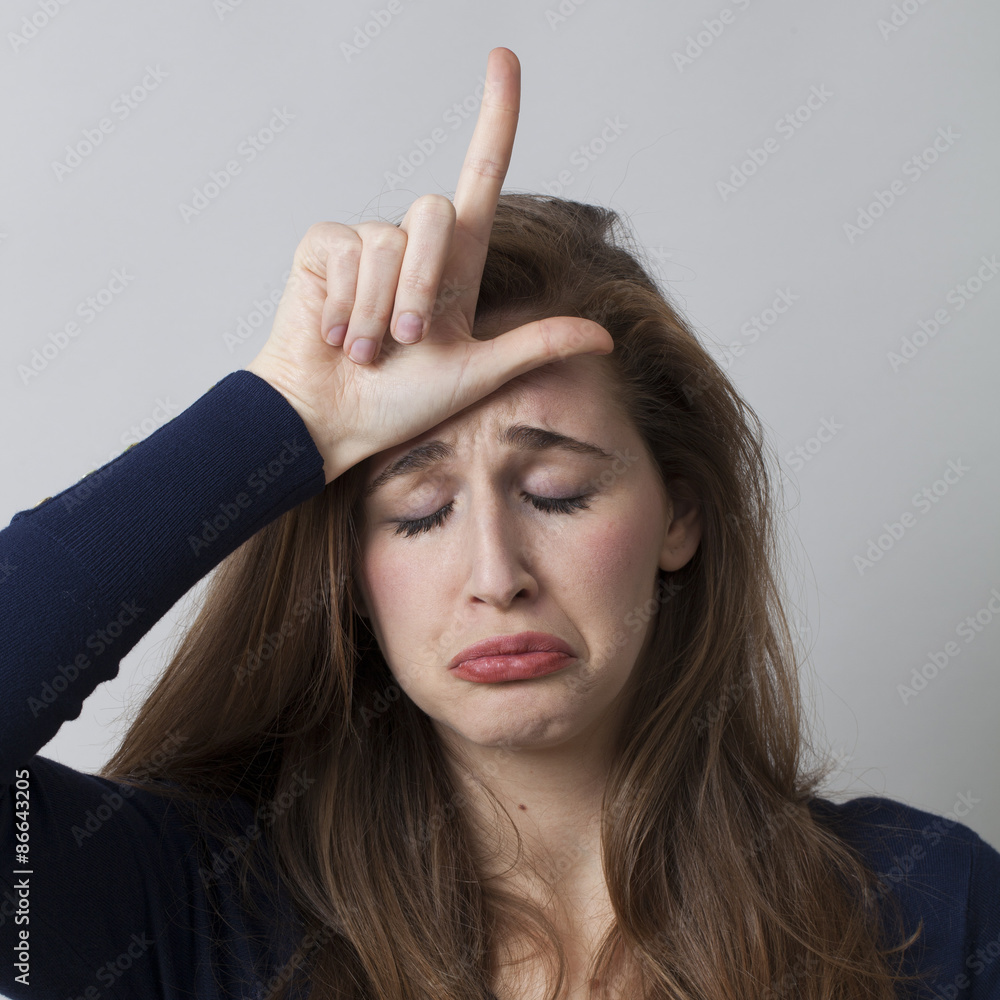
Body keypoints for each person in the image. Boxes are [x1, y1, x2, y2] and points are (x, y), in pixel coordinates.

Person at [1, 45, 997, 1000]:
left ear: (678, 517)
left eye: (556, 492)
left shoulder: (922, 909)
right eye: (419, 511)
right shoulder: (179, 910)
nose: (494, 572)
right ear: (351, 567)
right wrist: (281, 417)